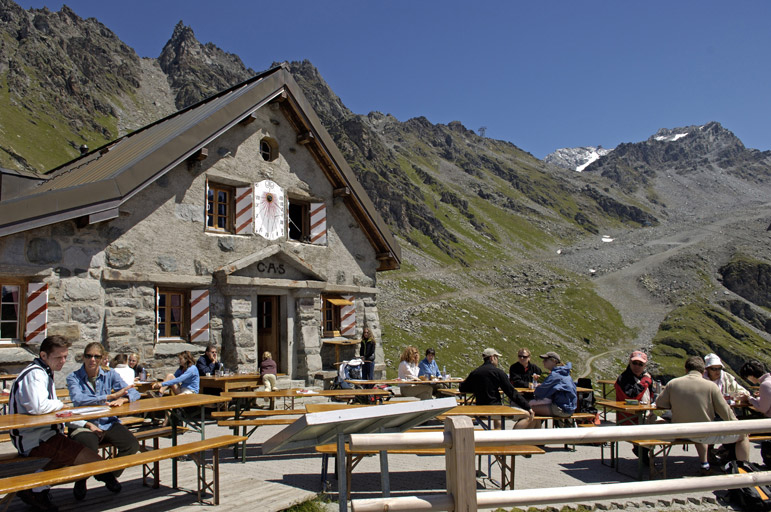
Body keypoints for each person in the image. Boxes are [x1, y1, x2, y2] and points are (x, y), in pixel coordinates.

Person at [10, 336, 121, 510]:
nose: (63, 361)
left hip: (46, 435)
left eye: (65, 357)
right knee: (93, 461)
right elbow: (38, 406)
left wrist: (85, 424)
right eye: (58, 357)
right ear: (44, 355)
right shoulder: (36, 374)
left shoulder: (44, 370)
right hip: (35, 439)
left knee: (85, 458)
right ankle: (35, 490)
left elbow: (55, 412)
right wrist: (61, 404)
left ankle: (36, 490)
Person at [67, 343, 141, 500]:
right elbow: (78, 399)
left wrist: (124, 398)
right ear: (83, 357)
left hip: (107, 422)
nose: (92, 359)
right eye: (88, 356)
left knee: (131, 445)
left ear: (102, 359)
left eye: (96, 356)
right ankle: (82, 481)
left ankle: (108, 476)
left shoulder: (110, 374)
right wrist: (108, 397)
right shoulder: (73, 377)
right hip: (84, 424)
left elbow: (134, 392)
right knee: (90, 447)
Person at [656, 355, 750, 475]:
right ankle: (744, 472)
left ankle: (705, 463)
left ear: (686, 369)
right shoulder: (711, 386)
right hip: (703, 434)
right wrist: (739, 427)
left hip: (679, 431)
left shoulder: (673, 383)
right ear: (703, 370)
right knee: (743, 436)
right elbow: (725, 412)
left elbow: (660, 403)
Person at [459, 348, 534, 429]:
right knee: (527, 415)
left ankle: (498, 435)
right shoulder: (498, 372)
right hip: (495, 408)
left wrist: (477, 388)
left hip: (480, 409)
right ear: (492, 358)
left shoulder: (475, 372)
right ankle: (512, 437)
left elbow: (462, 388)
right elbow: (511, 392)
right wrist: (527, 407)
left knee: (497, 418)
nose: (497, 360)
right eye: (497, 358)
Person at [740, 360, 771, 466]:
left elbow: (762, 408)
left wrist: (749, 398)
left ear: (751, 375)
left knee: (740, 424)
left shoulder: (765, 385)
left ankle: (740, 460)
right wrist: (759, 397)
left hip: (768, 422)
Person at [529, 351, 577, 421]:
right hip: (569, 407)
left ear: (554, 361)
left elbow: (539, 392)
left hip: (562, 409)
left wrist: (538, 387)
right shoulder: (563, 372)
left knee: (528, 409)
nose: (543, 362)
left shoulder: (555, 375)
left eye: (545, 360)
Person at [614, 350, 653, 424]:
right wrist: (645, 381)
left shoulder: (645, 377)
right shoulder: (623, 378)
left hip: (645, 415)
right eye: (634, 363)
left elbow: (652, 396)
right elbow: (632, 396)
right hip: (630, 419)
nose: (637, 366)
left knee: (667, 423)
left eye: (640, 364)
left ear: (645, 366)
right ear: (630, 363)